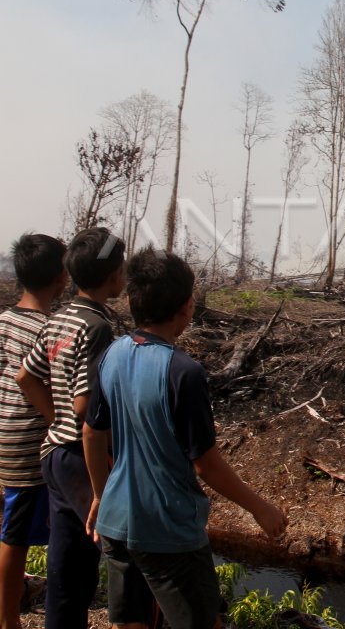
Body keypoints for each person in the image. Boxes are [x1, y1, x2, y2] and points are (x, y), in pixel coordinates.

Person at [84, 248, 287, 629]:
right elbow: (205, 464)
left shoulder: (111, 356)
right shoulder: (182, 372)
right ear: (187, 305)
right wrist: (261, 508)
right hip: (167, 528)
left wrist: (99, 494)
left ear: (132, 300)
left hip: (115, 520)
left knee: (131, 621)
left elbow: (92, 434)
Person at [15, 227, 129, 629]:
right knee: (107, 553)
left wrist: (54, 420)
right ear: (115, 274)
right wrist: (103, 481)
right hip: (83, 459)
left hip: (55, 455)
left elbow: (26, 377)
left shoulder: (58, 317)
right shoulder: (97, 327)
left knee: (64, 566)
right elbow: (86, 406)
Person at [0, 233, 68, 629]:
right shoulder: (50, 330)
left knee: (20, 518)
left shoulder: (4, 319)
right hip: (26, 442)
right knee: (15, 533)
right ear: (61, 278)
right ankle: (7, 618)